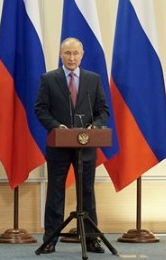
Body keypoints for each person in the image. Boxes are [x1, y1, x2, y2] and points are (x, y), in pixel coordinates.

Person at [34, 37, 109, 254]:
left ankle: (91, 239)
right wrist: (56, 127)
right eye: (67, 53)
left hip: (86, 146)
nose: (72, 57)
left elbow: (103, 111)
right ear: (61, 54)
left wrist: (96, 126)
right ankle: (50, 239)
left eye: (76, 53)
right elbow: (40, 109)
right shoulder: (49, 79)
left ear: (82, 55)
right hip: (59, 146)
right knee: (55, 193)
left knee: (87, 192)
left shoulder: (93, 80)